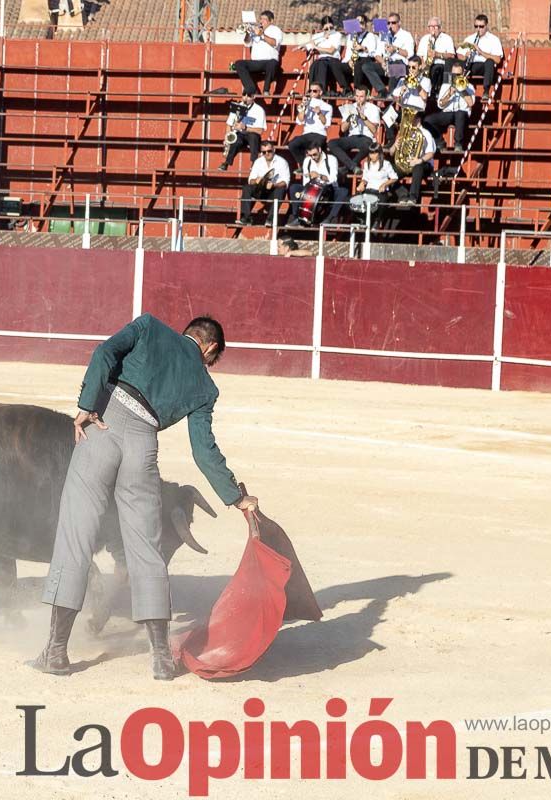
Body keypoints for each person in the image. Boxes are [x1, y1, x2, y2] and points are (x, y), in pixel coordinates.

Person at [30, 314, 258, 680]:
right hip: (143, 445)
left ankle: (56, 652)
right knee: (147, 551)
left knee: (76, 537)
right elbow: (204, 451)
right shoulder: (205, 386)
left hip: (102, 427)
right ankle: (161, 660)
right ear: (210, 347)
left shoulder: (149, 327)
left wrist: (88, 403)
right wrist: (235, 496)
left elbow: (104, 352)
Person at [287, 140, 347, 225]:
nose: (313, 157)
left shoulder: (331, 159)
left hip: (328, 190)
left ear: (319, 150)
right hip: (312, 190)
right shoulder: (307, 161)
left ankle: (330, 218)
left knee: (343, 191)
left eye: (314, 154)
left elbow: (333, 179)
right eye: (310, 155)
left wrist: (319, 176)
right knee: (294, 188)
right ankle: (297, 216)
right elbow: (305, 182)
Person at [424, 61, 477, 152]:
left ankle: (458, 144)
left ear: (463, 73)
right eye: (454, 75)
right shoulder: (446, 86)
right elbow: (440, 105)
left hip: (462, 115)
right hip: (448, 113)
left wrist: (462, 90)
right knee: (428, 121)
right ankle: (440, 143)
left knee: (460, 113)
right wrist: (449, 94)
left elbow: (471, 103)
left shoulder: (469, 87)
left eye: (458, 74)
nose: (456, 77)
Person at [328, 87, 380, 177]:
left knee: (368, 146)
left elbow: (374, 130)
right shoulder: (350, 107)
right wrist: (349, 118)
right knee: (331, 143)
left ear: (366, 97)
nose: (359, 99)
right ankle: (352, 166)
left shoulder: (373, 108)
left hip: (366, 137)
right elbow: (343, 129)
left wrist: (364, 118)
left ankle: (347, 167)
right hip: (352, 136)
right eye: (357, 96)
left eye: (361, 96)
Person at [238, 140, 291, 226]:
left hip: (273, 190)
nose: (267, 153)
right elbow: (250, 180)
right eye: (264, 152)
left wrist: (274, 185)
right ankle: (246, 217)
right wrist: (256, 181)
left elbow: (285, 181)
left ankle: (270, 219)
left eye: (269, 151)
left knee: (281, 190)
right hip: (260, 189)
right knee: (247, 188)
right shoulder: (258, 161)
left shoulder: (282, 162)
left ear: (273, 150)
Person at [232, 10, 283, 97]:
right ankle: (250, 88)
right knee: (239, 63)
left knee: (272, 63)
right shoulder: (255, 30)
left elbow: (274, 42)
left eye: (265, 19)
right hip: (256, 62)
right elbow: (247, 43)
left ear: (271, 21)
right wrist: (248, 33)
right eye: (261, 19)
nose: (261, 21)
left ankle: (266, 89)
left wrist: (262, 35)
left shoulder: (276, 30)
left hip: (269, 62)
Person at [384, 55, 430, 148]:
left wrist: (417, 85)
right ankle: (391, 140)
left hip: (417, 110)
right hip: (404, 108)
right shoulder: (402, 80)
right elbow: (397, 99)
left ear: (420, 67)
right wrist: (401, 91)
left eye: (414, 67)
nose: (411, 70)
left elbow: (425, 97)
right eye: (409, 67)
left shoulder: (426, 80)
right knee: (387, 113)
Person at [366, 12, 414, 98]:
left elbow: (410, 54)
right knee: (366, 66)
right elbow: (377, 54)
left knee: (397, 63)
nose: (390, 25)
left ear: (399, 23)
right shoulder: (384, 35)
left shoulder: (406, 35)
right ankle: (382, 91)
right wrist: (382, 62)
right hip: (387, 65)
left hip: (402, 67)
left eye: (393, 23)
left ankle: (391, 93)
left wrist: (396, 49)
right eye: (388, 23)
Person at [388, 122, 436, 207]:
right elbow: (391, 152)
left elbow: (430, 154)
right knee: (387, 169)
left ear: (418, 119)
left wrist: (419, 160)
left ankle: (413, 197)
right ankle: (402, 195)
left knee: (418, 167)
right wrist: (395, 145)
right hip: (406, 163)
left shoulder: (426, 133)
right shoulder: (404, 133)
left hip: (423, 164)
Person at [286, 83, 333, 168]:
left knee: (315, 148)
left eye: (314, 91)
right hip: (307, 133)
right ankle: (304, 165)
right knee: (292, 144)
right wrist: (303, 109)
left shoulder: (327, 106)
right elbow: (300, 121)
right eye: (310, 91)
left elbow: (326, 123)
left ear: (321, 92)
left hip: (320, 134)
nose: (312, 93)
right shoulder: (306, 104)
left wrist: (319, 113)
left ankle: (316, 168)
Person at [218, 91, 266, 170]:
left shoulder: (259, 110)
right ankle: (226, 162)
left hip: (252, 134)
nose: (246, 98)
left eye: (249, 95)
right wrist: (227, 138)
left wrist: (246, 128)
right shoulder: (237, 107)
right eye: (244, 95)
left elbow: (260, 131)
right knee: (236, 141)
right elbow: (229, 124)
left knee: (253, 138)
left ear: (254, 97)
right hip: (239, 134)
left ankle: (254, 163)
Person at [351, 144, 398, 222]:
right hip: (369, 190)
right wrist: (362, 183)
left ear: (379, 153)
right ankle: (361, 220)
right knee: (353, 201)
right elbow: (365, 178)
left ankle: (377, 221)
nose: (372, 156)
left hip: (380, 192)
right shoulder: (367, 164)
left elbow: (394, 177)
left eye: (374, 153)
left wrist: (384, 184)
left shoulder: (386, 164)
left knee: (380, 204)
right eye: (370, 153)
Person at [458, 14, 504, 92]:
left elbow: (498, 59)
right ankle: (456, 88)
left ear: (486, 26)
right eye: (476, 26)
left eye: (481, 26)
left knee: (489, 62)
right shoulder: (469, 38)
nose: (478, 29)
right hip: (471, 65)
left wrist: (481, 52)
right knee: (456, 63)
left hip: (485, 67)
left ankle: (486, 91)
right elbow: (459, 54)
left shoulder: (494, 39)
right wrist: (465, 56)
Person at [304, 16, 348, 96]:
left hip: (333, 60)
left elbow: (331, 50)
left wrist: (316, 47)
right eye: (326, 29)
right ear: (322, 28)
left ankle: (321, 90)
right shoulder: (319, 36)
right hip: (321, 60)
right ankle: (313, 89)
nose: (329, 30)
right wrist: (306, 47)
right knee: (314, 65)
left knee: (321, 64)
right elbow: (309, 46)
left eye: (330, 28)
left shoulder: (337, 35)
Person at [418, 17, 456, 92]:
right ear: (428, 28)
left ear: (440, 28)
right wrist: (423, 64)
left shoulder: (447, 38)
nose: (433, 29)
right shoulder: (424, 39)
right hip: (427, 65)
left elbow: (452, 55)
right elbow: (419, 55)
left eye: (436, 26)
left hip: (441, 65)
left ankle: (435, 90)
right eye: (431, 27)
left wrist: (437, 54)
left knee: (437, 68)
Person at [348, 15, 384, 93]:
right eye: (357, 23)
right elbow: (349, 51)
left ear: (365, 24)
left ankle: (357, 91)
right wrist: (349, 60)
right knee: (335, 65)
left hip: (366, 59)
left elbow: (372, 52)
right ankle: (346, 91)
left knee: (360, 64)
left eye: (361, 23)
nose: (359, 25)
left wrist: (363, 48)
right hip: (355, 60)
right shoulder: (352, 36)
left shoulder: (370, 36)